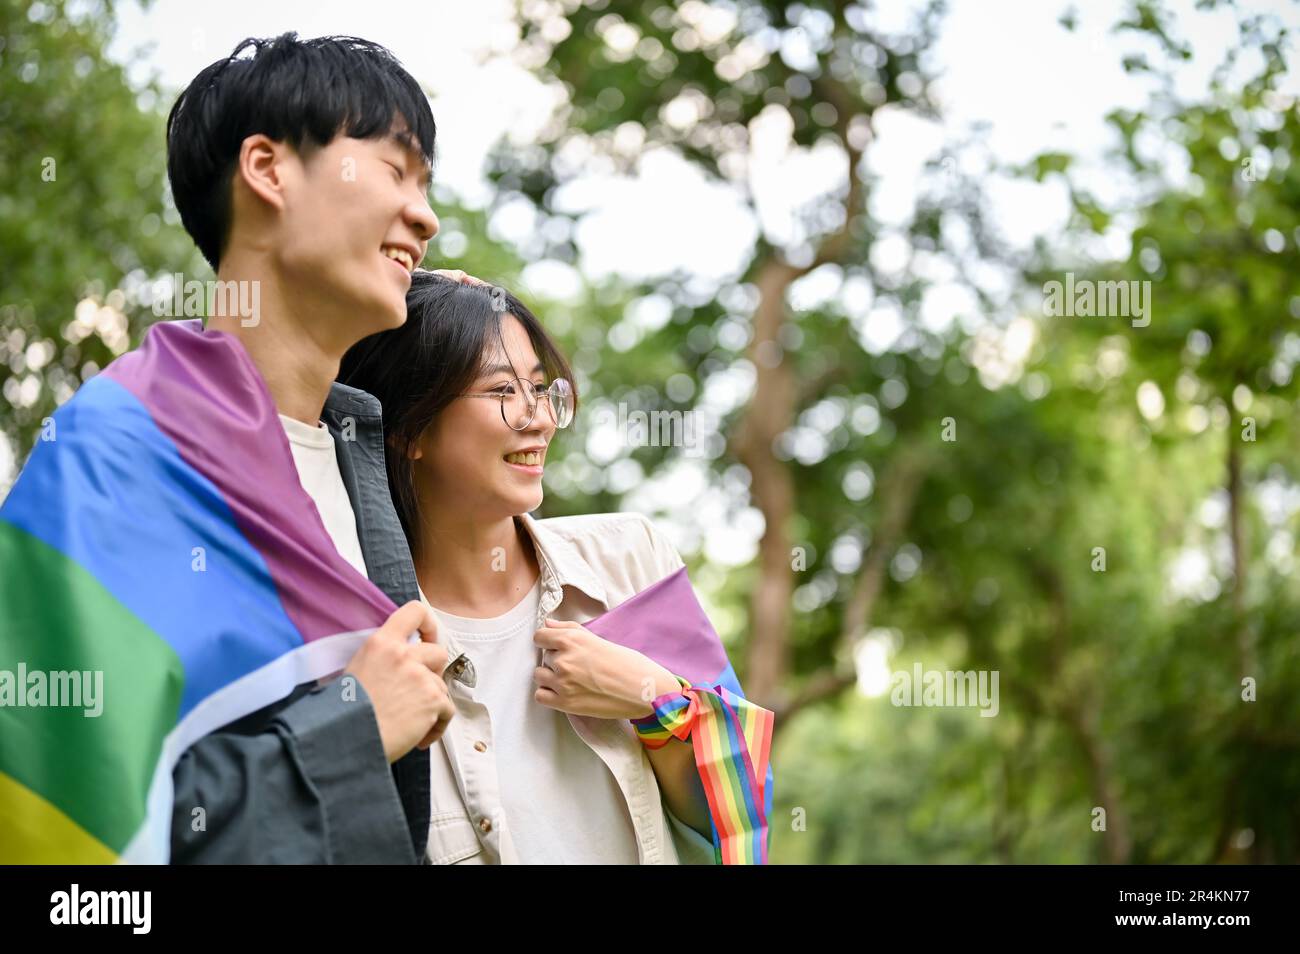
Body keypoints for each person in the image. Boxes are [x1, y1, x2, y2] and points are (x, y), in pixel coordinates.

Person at [161, 32, 459, 863]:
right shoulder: (122, 458)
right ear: (268, 170)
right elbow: (69, 836)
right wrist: (350, 727)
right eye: (397, 172)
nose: (427, 217)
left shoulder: (363, 450)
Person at [339, 271, 718, 863]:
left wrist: (654, 701)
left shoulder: (630, 561)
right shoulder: (371, 655)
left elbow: (737, 811)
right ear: (410, 428)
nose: (538, 418)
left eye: (541, 389)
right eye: (501, 393)